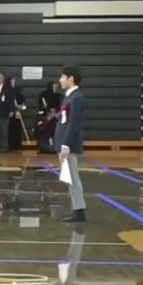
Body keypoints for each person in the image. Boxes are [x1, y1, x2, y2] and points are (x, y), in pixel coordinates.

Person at [56, 66, 87, 223]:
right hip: (63, 142)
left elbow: (74, 123)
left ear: (71, 78)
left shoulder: (77, 98)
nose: (60, 80)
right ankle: (76, 208)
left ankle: (79, 210)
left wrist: (66, 144)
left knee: (73, 177)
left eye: (63, 77)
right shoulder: (68, 96)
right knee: (69, 177)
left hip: (69, 145)